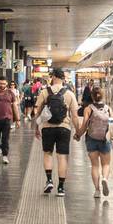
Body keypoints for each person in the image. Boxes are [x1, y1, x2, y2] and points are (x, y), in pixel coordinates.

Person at [33, 67, 80, 196]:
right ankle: (61, 188)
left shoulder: (44, 92)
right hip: (64, 128)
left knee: (48, 154)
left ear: (53, 77)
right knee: (62, 157)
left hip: (48, 128)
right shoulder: (70, 94)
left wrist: (36, 128)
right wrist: (79, 132)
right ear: (63, 78)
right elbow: (75, 116)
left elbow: (36, 112)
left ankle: (49, 180)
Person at [77, 86, 113, 200]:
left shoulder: (88, 109)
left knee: (95, 165)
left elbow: (84, 124)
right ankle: (105, 178)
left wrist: (78, 135)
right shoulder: (108, 109)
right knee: (106, 164)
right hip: (105, 139)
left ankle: (97, 190)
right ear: (102, 95)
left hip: (91, 139)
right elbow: (112, 127)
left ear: (92, 96)